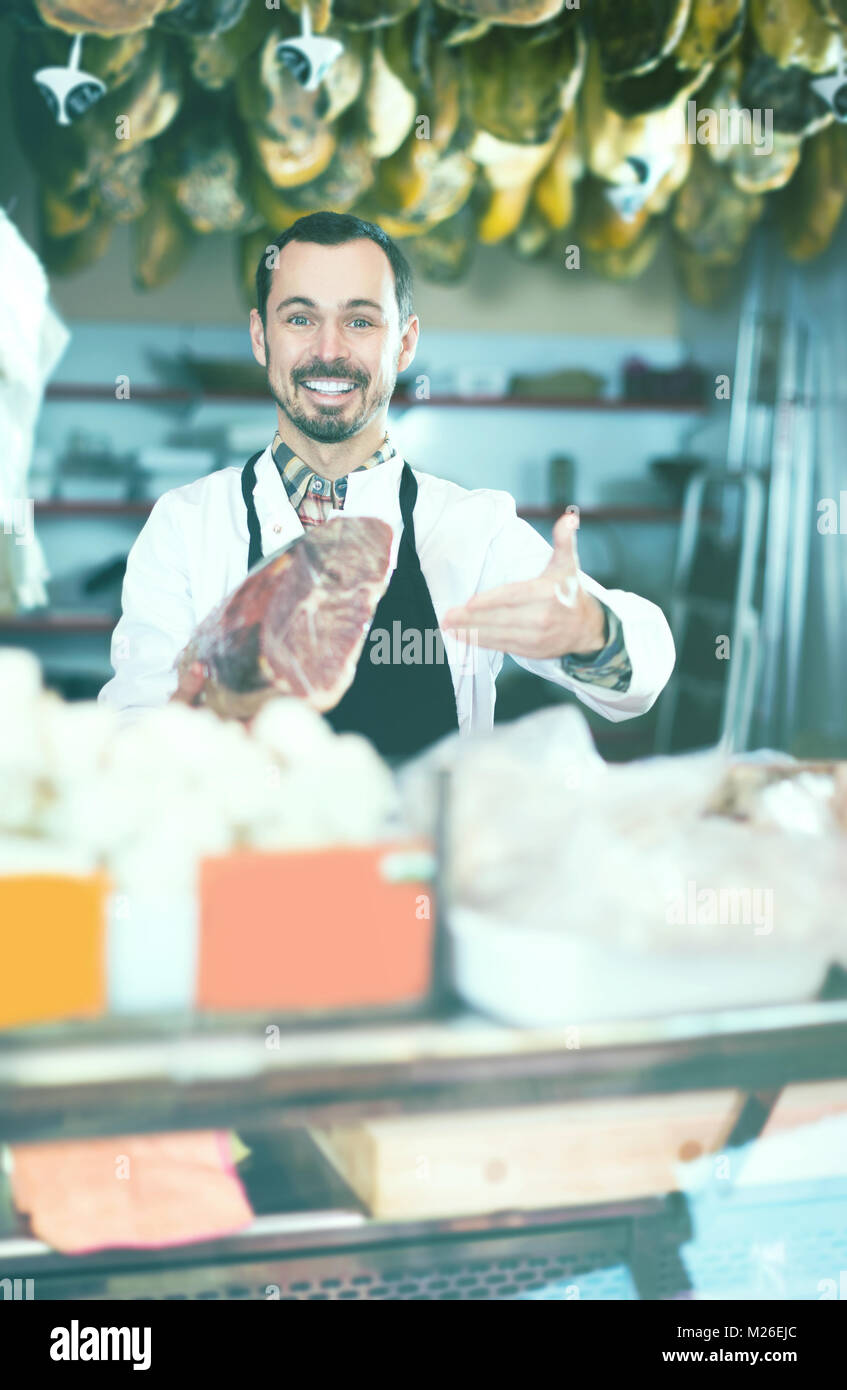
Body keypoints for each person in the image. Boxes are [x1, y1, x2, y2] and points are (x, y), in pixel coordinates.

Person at [99, 212, 675, 759]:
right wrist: (171, 728)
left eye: (360, 321)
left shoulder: (473, 528)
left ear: (404, 342)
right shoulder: (186, 523)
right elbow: (132, 725)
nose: (329, 350)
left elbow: (642, 675)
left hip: (419, 861)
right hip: (242, 860)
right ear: (260, 336)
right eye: (300, 318)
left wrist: (590, 631)